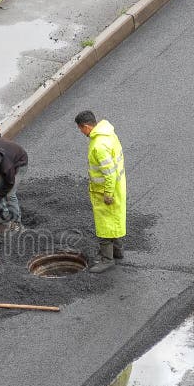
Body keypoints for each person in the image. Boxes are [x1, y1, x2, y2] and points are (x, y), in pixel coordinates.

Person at [75, 111, 126, 273]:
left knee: (104, 225)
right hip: (117, 186)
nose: (81, 132)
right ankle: (117, 250)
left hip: (105, 191)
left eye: (80, 128)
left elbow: (109, 173)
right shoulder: (108, 134)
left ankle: (107, 259)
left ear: (86, 126)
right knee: (113, 220)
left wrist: (108, 194)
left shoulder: (99, 146)